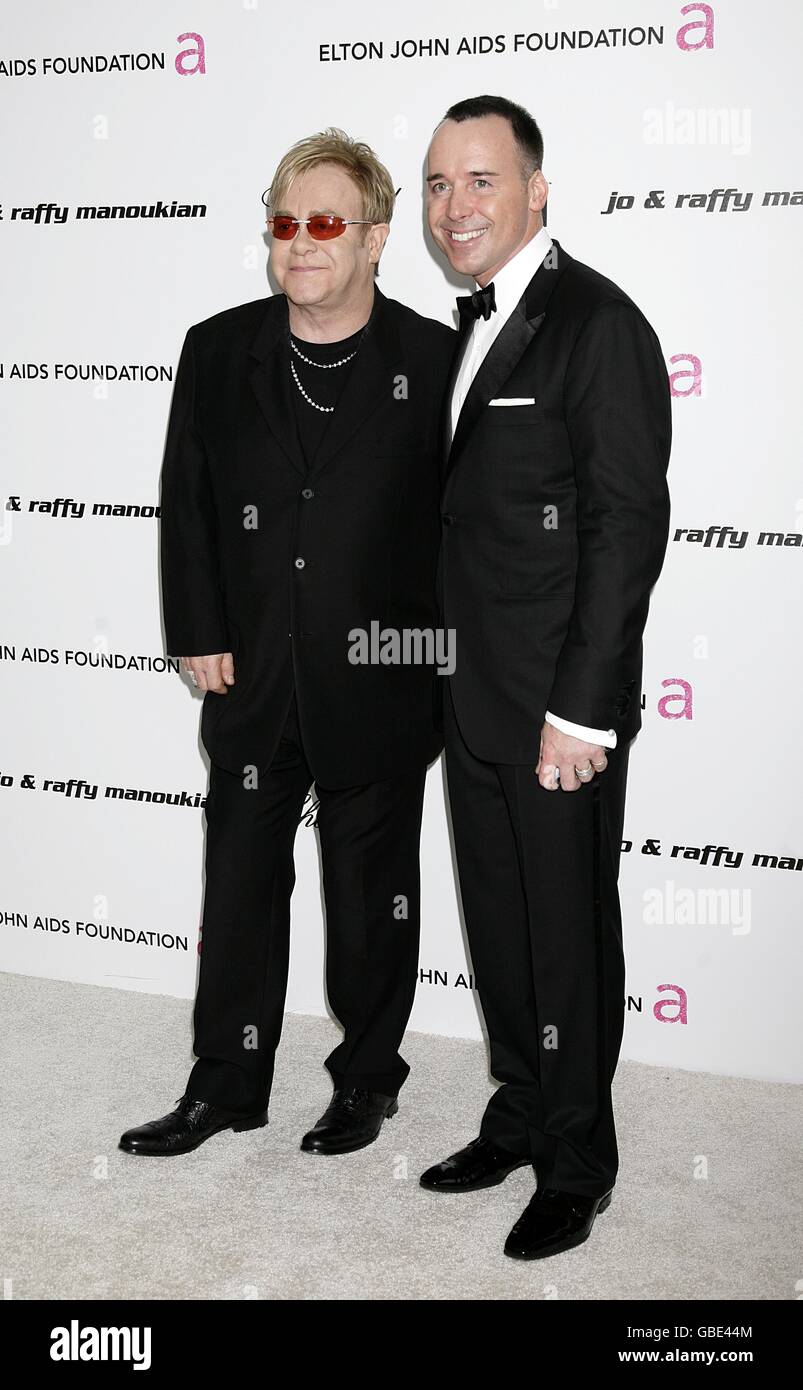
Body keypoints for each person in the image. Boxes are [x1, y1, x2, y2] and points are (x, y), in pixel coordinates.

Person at [119, 129, 454, 1159]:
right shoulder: (217, 349)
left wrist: (434, 659)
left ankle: (366, 1081)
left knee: (371, 903)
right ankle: (227, 1082)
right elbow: (187, 503)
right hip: (253, 667)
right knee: (240, 887)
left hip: (381, 676)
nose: (299, 243)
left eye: (324, 223)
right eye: (282, 221)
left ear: (375, 238)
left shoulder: (435, 362)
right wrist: (199, 629)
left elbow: (460, 533)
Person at [420, 96, 671, 1258]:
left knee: (565, 937)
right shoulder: (463, 326)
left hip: (556, 711)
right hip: (471, 698)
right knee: (503, 931)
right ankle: (518, 1111)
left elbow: (624, 528)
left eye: (478, 180)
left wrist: (582, 709)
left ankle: (576, 1161)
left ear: (534, 190)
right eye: (435, 184)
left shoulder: (596, 322)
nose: (453, 206)